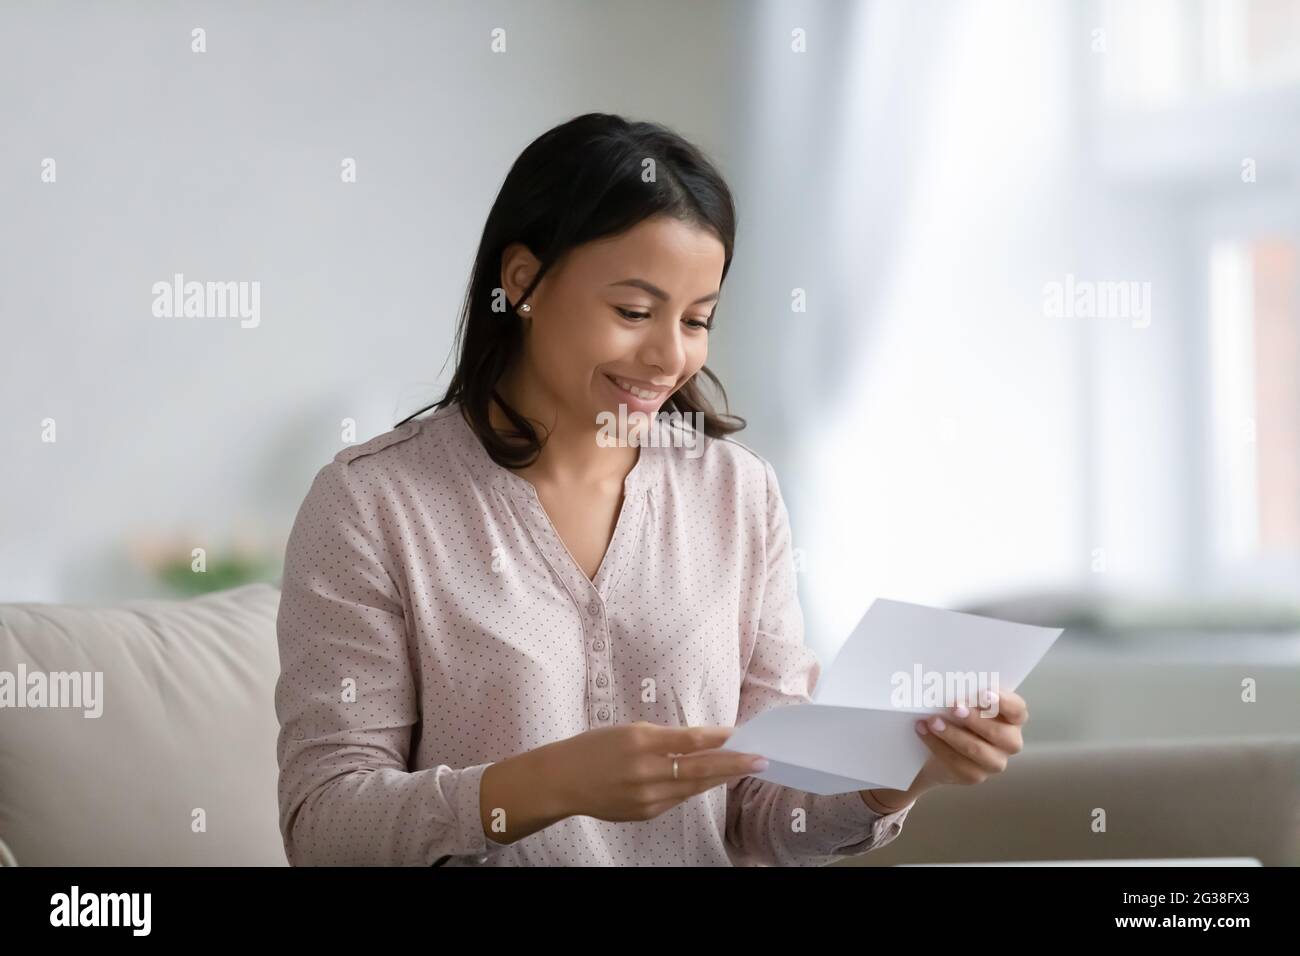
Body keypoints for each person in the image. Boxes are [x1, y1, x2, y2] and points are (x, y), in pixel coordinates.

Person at [273, 112, 1029, 866]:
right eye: (633, 312)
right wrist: (544, 785)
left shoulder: (739, 494)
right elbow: (326, 827)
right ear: (523, 282)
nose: (671, 358)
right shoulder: (372, 505)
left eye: (698, 320)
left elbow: (765, 812)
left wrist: (901, 772)